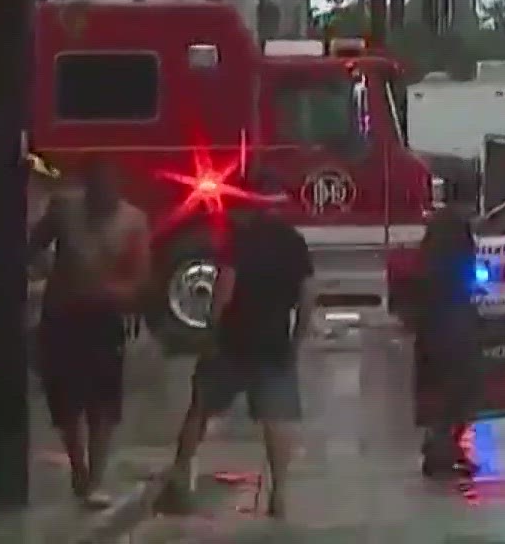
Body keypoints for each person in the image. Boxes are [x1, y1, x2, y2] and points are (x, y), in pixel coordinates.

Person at [158, 206, 315, 518]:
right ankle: (279, 493)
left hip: (232, 342)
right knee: (276, 420)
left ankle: (179, 474)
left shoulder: (239, 239)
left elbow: (224, 289)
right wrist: (296, 341)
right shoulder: (294, 241)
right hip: (274, 345)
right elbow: (307, 296)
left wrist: (211, 331)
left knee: (200, 408)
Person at [29, 158, 149, 508]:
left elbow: (140, 276)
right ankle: (79, 467)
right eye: (96, 190)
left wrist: (121, 296)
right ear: (87, 189)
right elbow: (34, 244)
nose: (102, 199)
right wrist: (46, 268)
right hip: (63, 315)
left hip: (102, 317)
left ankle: (93, 477)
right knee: (66, 401)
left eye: (108, 191)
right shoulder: (65, 209)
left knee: (103, 405)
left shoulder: (131, 221)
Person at [412, 195, 481, 478]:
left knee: (438, 392)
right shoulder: (457, 232)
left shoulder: (434, 237)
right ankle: (443, 450)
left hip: (431, 327)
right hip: (454, 326)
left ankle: (438, 447)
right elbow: (465, 273)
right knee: (460, 392)